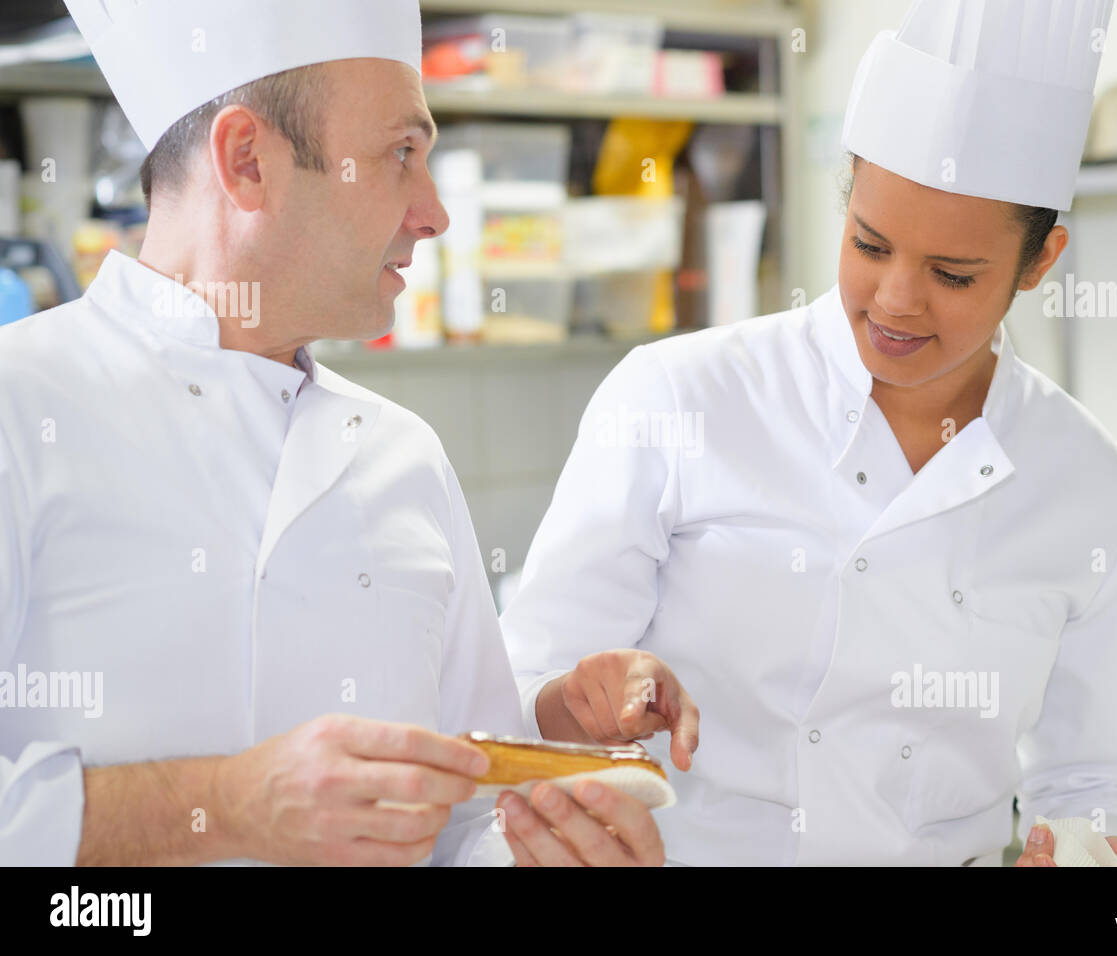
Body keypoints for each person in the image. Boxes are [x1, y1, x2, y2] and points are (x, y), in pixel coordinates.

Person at [501, 0, 1117, 866]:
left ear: (1041, 262)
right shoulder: (675, 397)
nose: (894, 299)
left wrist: (1095, 854)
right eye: (870, 243)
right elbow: (519, 701)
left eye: (953, 275)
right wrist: (572, 700)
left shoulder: (1089, 485)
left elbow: (1098, 782)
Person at [0, 0, 663, 868]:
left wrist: (550, 846)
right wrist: (230, 805)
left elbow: (470, 822)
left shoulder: (403, 456)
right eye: (401, 155)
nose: (434, 212)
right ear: (247, 163)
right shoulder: (22, 405)